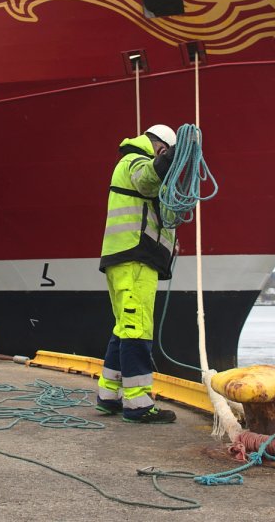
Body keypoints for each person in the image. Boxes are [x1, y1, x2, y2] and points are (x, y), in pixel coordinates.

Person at [96, 124, 179, 423]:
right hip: (135, 257)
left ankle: (109, 395)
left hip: (126, 256)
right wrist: (172, 158)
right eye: (165, 153)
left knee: (124, 327)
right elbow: (146, 181)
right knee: (137, 328)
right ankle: (138, 403)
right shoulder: (134, 160)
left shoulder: (132, 162)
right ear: (161, 148)